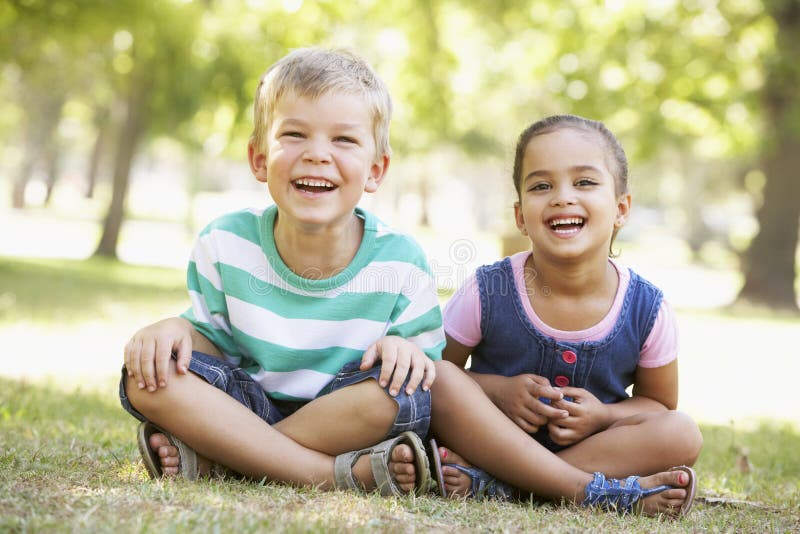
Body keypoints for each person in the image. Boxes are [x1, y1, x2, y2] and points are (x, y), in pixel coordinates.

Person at [119, 47, 445, 496]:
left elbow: (425, 371)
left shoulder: (401, 259)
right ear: (258, 159)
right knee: (148, 376)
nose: (316, 155)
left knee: (396, 395)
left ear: (375, 169)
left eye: (343, 140)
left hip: (343, 414)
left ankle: (227, 458)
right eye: (294, 135)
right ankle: (334, 475)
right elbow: (212, 347)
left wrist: (402, 347)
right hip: (248, 404)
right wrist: (173, 329)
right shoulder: (225, 242)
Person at [427, 114, 703, 516]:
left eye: (585, 182)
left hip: (596, 450)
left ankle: (504, 486)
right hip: (492, 440)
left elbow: (658, 405)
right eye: (541, 186)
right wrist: (498, 391)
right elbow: (435, 373)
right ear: (520, 216)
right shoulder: (487, 290)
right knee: (438, 381)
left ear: (621, 208)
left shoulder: (648, 308)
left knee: (682, 433)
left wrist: (603, 415)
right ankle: (597, 492)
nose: (562, 197)